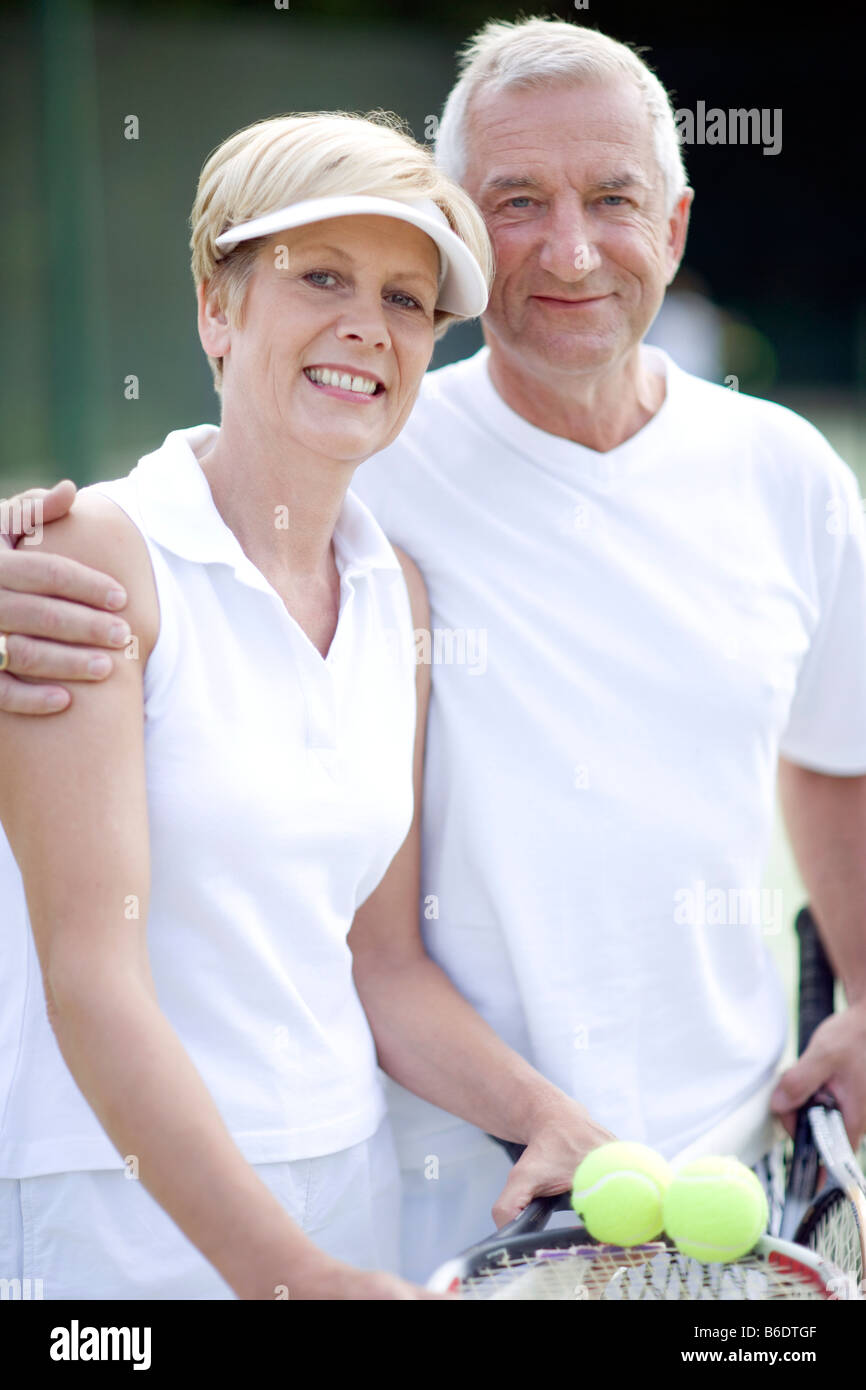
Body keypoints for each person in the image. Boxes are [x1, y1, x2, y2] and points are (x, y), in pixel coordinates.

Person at [3, 18, 866, 1284]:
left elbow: (831, 751)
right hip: (321, 1213)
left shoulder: (404, 569)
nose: (569, 248)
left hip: (619, 1181)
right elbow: (99, 970)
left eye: (402, 299)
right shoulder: (208, 522)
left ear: (672, 229)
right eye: (517, 201)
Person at [0, 109, 612, 1301]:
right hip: (116, 1221)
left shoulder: (400, 598)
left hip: (347, 1193)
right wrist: (281, 1273)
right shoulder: (88, 561)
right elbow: (91, 975)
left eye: (402, 300)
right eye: (317, 276)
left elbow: (378, 965)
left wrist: (547, 1115)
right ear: (216, 311)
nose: (364, 326)